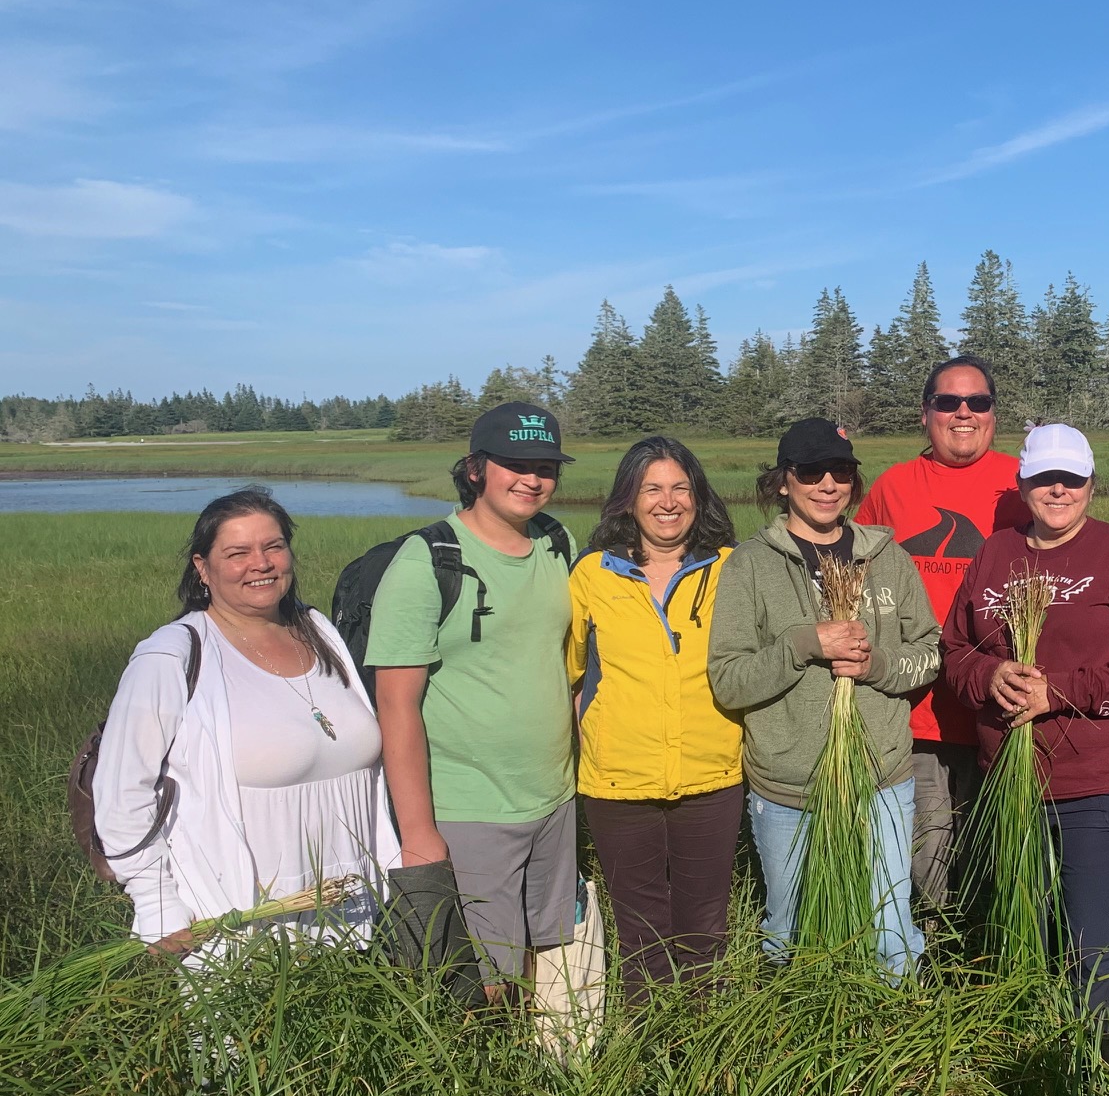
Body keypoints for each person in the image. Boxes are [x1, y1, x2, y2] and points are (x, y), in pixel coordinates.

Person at [941, 422, 1109, 1096]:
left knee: (1101, 966)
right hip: (1011, 792)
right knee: (1021, 952)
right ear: (1026, 484)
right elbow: (956, 652)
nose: (1058, 492)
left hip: (1104, 795)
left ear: (1091, 484)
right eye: (1045, 480)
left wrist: (1059, 691)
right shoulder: (997, 554)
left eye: (1072, 480)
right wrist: (994, 677)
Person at [95, 488, 397, 965]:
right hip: (238, 926)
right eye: (237, 553)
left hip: (356, 911)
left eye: (273, 547)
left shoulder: (320, 631)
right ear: (202, 567)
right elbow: (122, 792)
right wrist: (155, 902)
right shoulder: (172, 655)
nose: (261, 563)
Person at [708, 418, 942, 977]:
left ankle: (900, 1041)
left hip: (882, 777)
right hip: (789, 785)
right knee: (789, 931)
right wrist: (802, 645)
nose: (827, 484)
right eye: (811, 472)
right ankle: (794, 1035)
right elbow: (729, 680)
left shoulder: (887, 557)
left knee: (891, 930)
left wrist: (877, 665)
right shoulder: (751, 565)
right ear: (784, 481)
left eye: (840, 471)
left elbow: (932, 652)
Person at [367, 402, 577, 1000]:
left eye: (544, 466)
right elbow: (397, 707)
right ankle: (482, 1087)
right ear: (477, 469)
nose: (531, 479)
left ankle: (542, 1079)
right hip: (470, 810)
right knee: (481, 985)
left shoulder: (558, 543)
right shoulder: (428, 561)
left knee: (546, 960)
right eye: (514, 463)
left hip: (555, 801)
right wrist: (419, 834)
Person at [569, 436, 742, 997]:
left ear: (699, 497)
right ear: (628, 500)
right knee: (640, 931)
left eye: (680, 488)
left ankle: (703, 1052)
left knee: (705, 930)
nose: (667, 502)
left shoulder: (732, 569)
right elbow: (568, 674)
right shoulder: (593, 574)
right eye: (651, 489)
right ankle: (646, 1056)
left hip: (712, 775)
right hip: (618, 783)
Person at [858, 354, 1026, 914]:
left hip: (1000, 709)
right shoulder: (893, 487)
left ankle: (987, 964)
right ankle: (930, 972)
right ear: (925, 412)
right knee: (924, 858)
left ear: (993, 414)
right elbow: (851, 571)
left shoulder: (1020, 485)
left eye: (977, 402)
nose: (963, 413)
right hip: (916, 712)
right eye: (948, 402)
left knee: (997, 854)